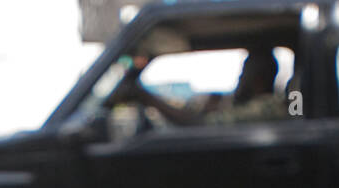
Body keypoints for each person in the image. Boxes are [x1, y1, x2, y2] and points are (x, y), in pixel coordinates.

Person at [113, 48, 286, 128]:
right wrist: (210, 107)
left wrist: (148, 99)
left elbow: (198, 125)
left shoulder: (266, 107)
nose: (239, 80)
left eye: (244, 75)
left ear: (258, 80)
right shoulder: (256, 105)